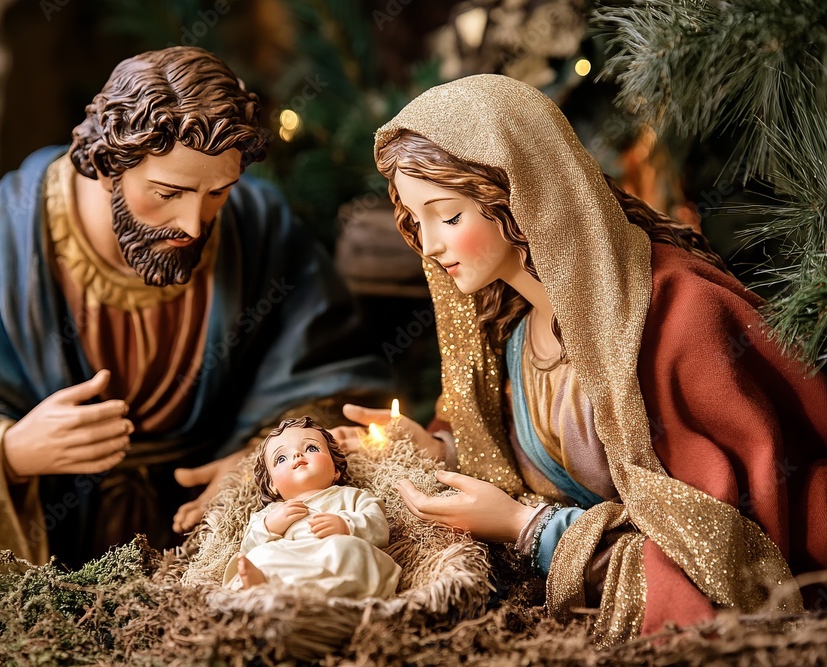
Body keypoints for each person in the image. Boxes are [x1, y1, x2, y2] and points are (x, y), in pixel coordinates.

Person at [0, 47, 390, 614]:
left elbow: (333, 378)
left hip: (214, 564)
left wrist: (258, 461)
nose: (193, 224)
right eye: (167, 194)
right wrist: (8, 453)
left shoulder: (254, 227)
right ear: (110, 164)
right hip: (49, 575)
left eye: (217, 193)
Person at [333, 74, 827, 645]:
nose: (430, 244)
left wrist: (529, 527)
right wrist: (439, 447)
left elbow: (728, 559)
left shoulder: (676, 317)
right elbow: (511, 457)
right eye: (416, 221)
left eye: (447, 216)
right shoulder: (512, 327)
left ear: (522, 194)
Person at [223, 417, 401, 599]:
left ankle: (315, 593)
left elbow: (379, 527)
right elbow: (248, 547)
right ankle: (262, 586)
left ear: (335, 469)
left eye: (311, 448)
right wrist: (270, 526)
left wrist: (346, 525)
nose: (297, 456)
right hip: (289, 560)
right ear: (272, 484)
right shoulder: (270, 513)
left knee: (349, 549)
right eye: (281, 458)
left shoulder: (352, 496)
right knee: (261, 554)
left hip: (332, 557)